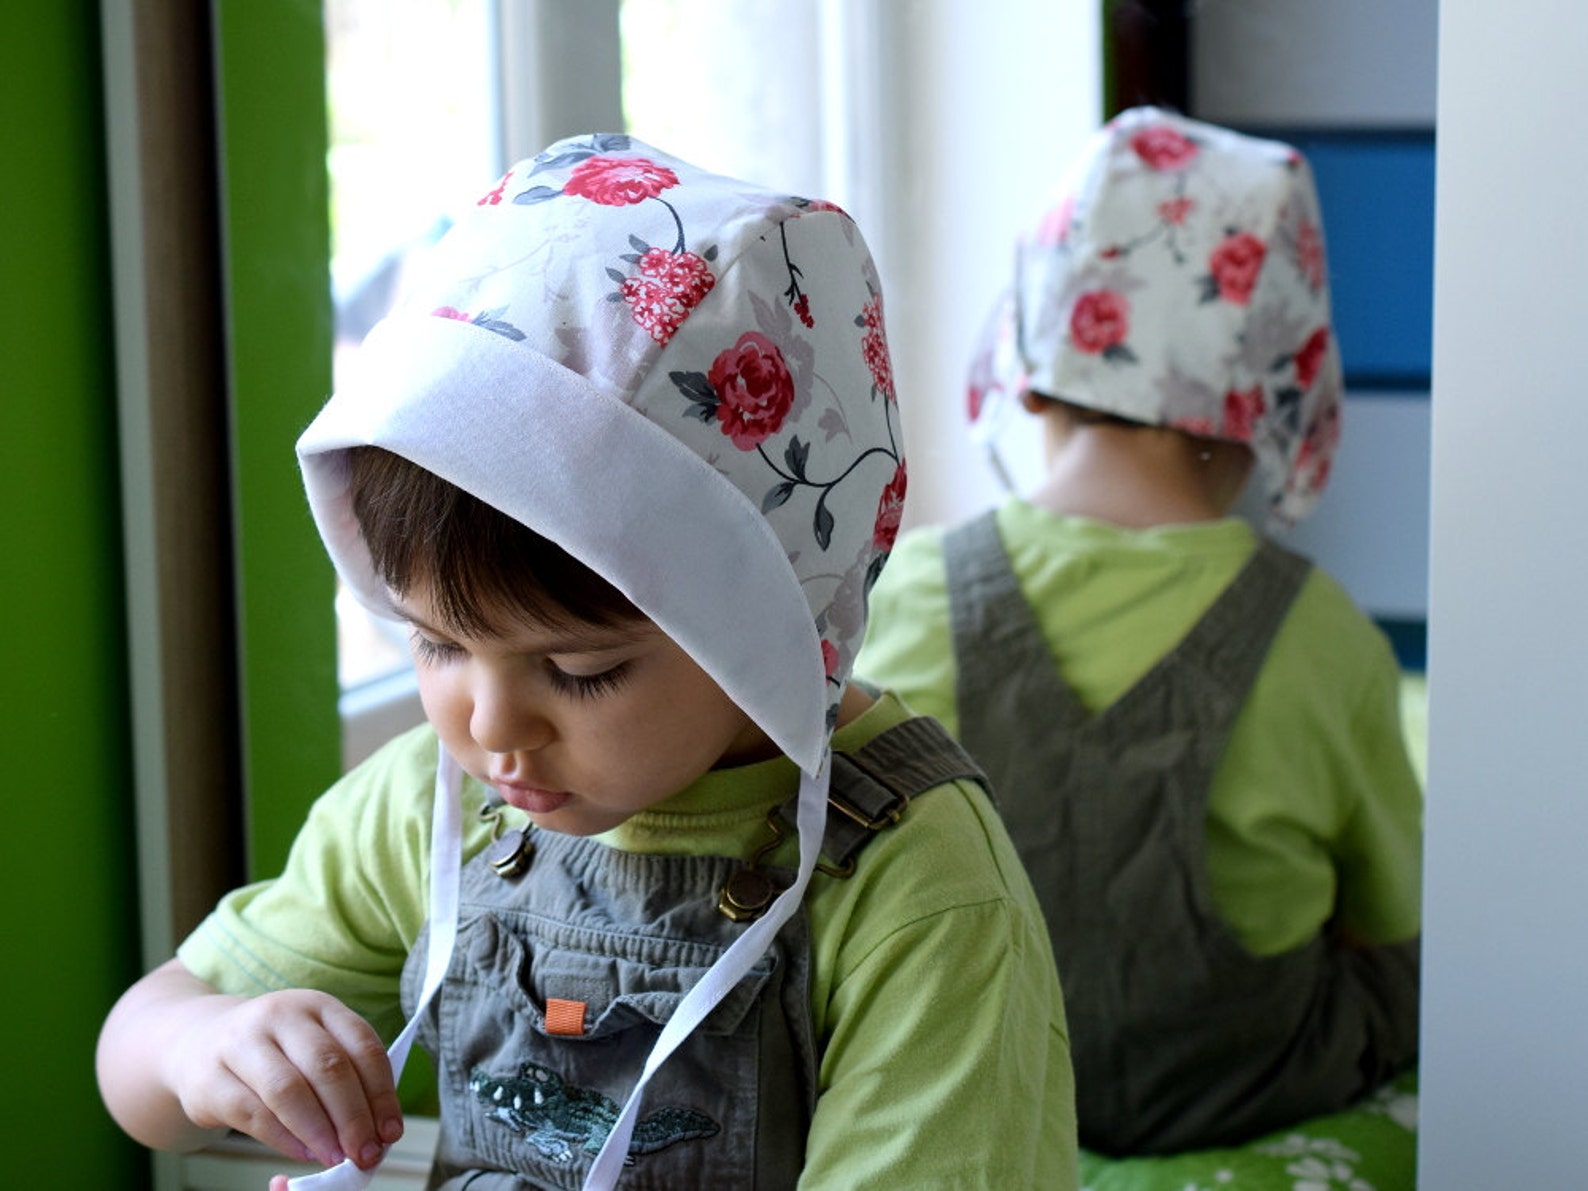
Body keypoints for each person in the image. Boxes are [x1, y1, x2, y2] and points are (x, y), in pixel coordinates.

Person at [95, 134, 1077, 1190]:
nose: (489, 727)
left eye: (579, 670)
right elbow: (138, 1068)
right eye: (435, 643)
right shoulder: (430, 817)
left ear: (769, 629)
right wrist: (206, 1048)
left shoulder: (913, 887)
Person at [855, 107, 1421, 1157]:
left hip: (980, 1067)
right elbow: (1390, 915)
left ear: (1025, 371)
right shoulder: (1325, 634)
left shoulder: (908, 588)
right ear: (1272, 400)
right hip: (1246, 1081)